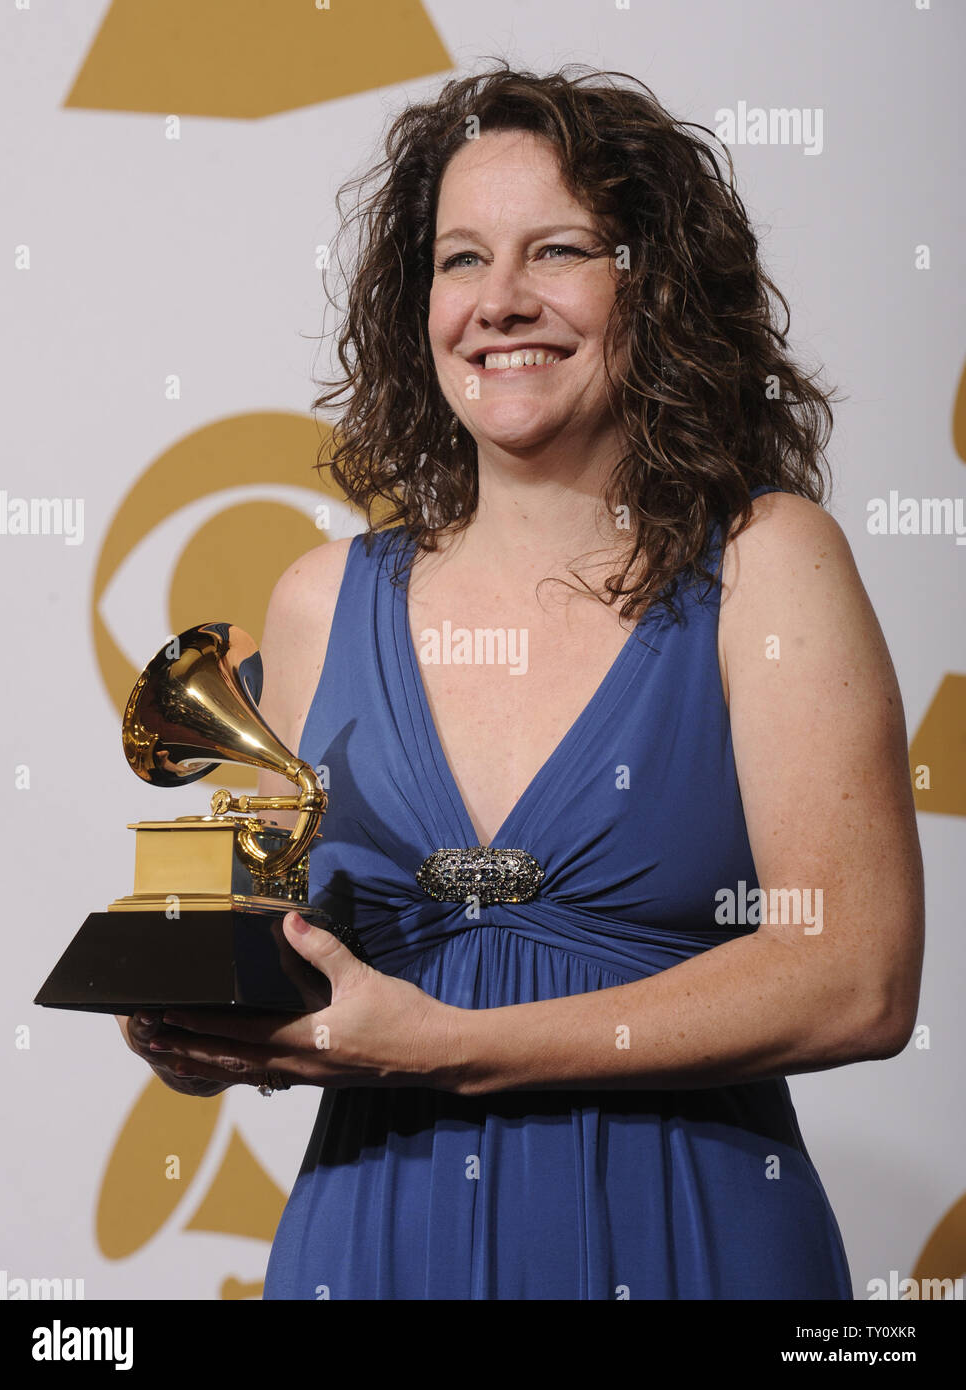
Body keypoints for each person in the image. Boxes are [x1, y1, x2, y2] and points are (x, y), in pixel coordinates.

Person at [117, 62, 924, 1299]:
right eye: (459, 260)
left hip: (685, 1240)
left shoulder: (769, 565)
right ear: (416, 303)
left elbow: (857, 979)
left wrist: (451, 1050)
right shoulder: (320, 600)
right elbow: (290, 957)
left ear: (653, 287)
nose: (498, 302)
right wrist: (202, 1032)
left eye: (558, 251)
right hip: (371, 1244)